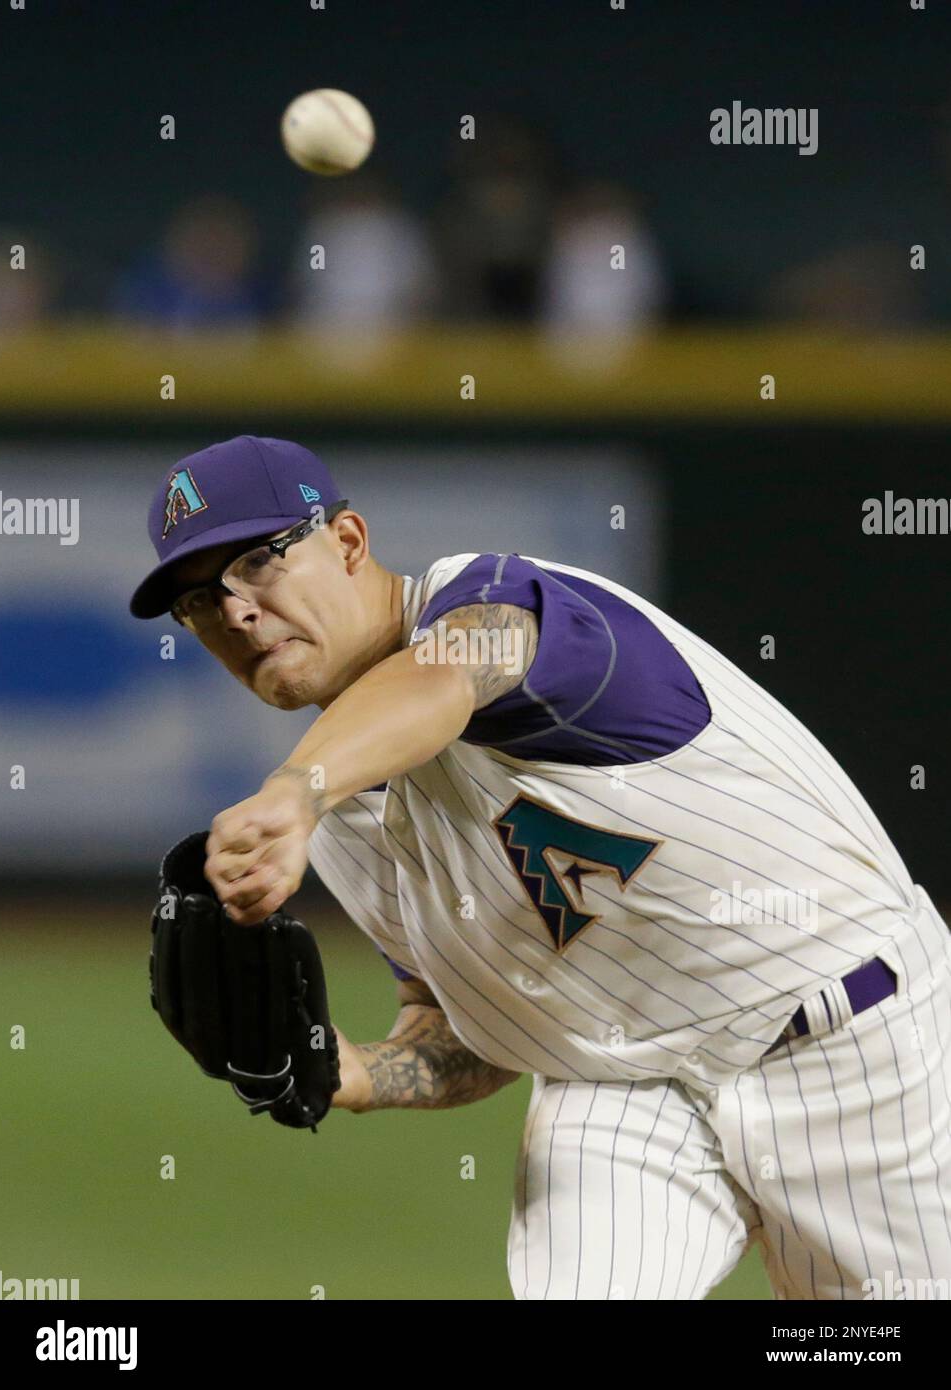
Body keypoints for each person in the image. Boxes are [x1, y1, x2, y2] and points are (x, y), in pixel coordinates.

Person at [130, 434, 951, 1301]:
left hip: (856, 1038)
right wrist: (354, 1070)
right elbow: (462, 1027)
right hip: (619, 1087)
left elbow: (444, 679)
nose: (236, 612)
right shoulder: (346, 815)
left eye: (258, 561)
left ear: (346, 542)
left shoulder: (503, 602)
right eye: (197, 599)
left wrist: (297, 789)